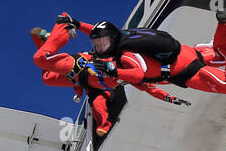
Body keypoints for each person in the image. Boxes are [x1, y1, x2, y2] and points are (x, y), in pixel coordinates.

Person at [31, 16, 190, 138]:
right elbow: (99, 34)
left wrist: (170, 98)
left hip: (82, 80)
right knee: (41, 61)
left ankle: (104, 125)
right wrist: (77, 24)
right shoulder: (120, 54)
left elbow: (151, 89)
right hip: (83, 64)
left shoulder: (130, 77)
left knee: (48, 78)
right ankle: (61, 29)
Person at [73, 2, 226, 98]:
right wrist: (78, 24)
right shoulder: (121, 39)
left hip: (186, 69)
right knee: (222, 53)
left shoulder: (123, 58)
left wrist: (115, 72)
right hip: (192, 52)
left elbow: (138, 73)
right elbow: (101, 33)